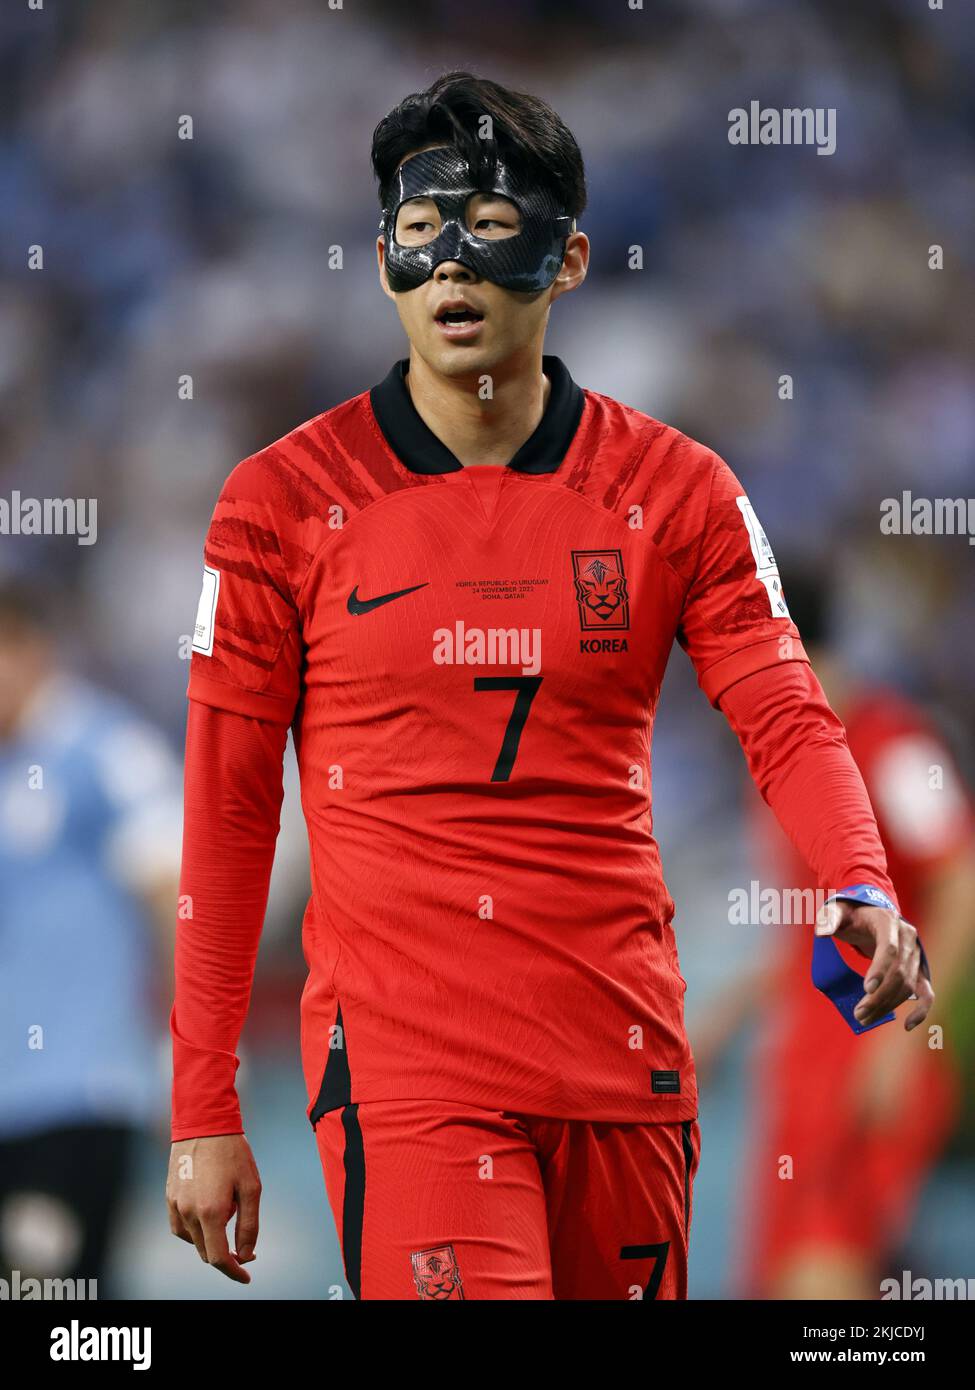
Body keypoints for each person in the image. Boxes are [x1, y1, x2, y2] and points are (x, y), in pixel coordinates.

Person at [166, 72, 933, 1301]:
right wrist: (203, 1101)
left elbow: (786, 711)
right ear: (380, 263)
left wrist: (858, 875)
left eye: (492, 225)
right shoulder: (277, 504)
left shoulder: (681, 490)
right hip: (409, 1071)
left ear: (569, 256)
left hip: (625, 1059)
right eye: (419, 234)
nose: (452, 265)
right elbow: (230, 809)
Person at [694, 570, 975, 1300]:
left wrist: (910, 1038)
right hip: (804, 1068)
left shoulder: (892, 746)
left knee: (821, 1277)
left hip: (864, 1058)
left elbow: (961, 878)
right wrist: (734, 1009)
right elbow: (812, 929)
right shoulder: (794, 763)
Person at [0, 579, 181, 1296]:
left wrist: (191, 1044)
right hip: (10, 1100)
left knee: (54, 1301)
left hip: (77, 1095)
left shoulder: (102, 749)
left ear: (28, 649)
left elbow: (175, 892)